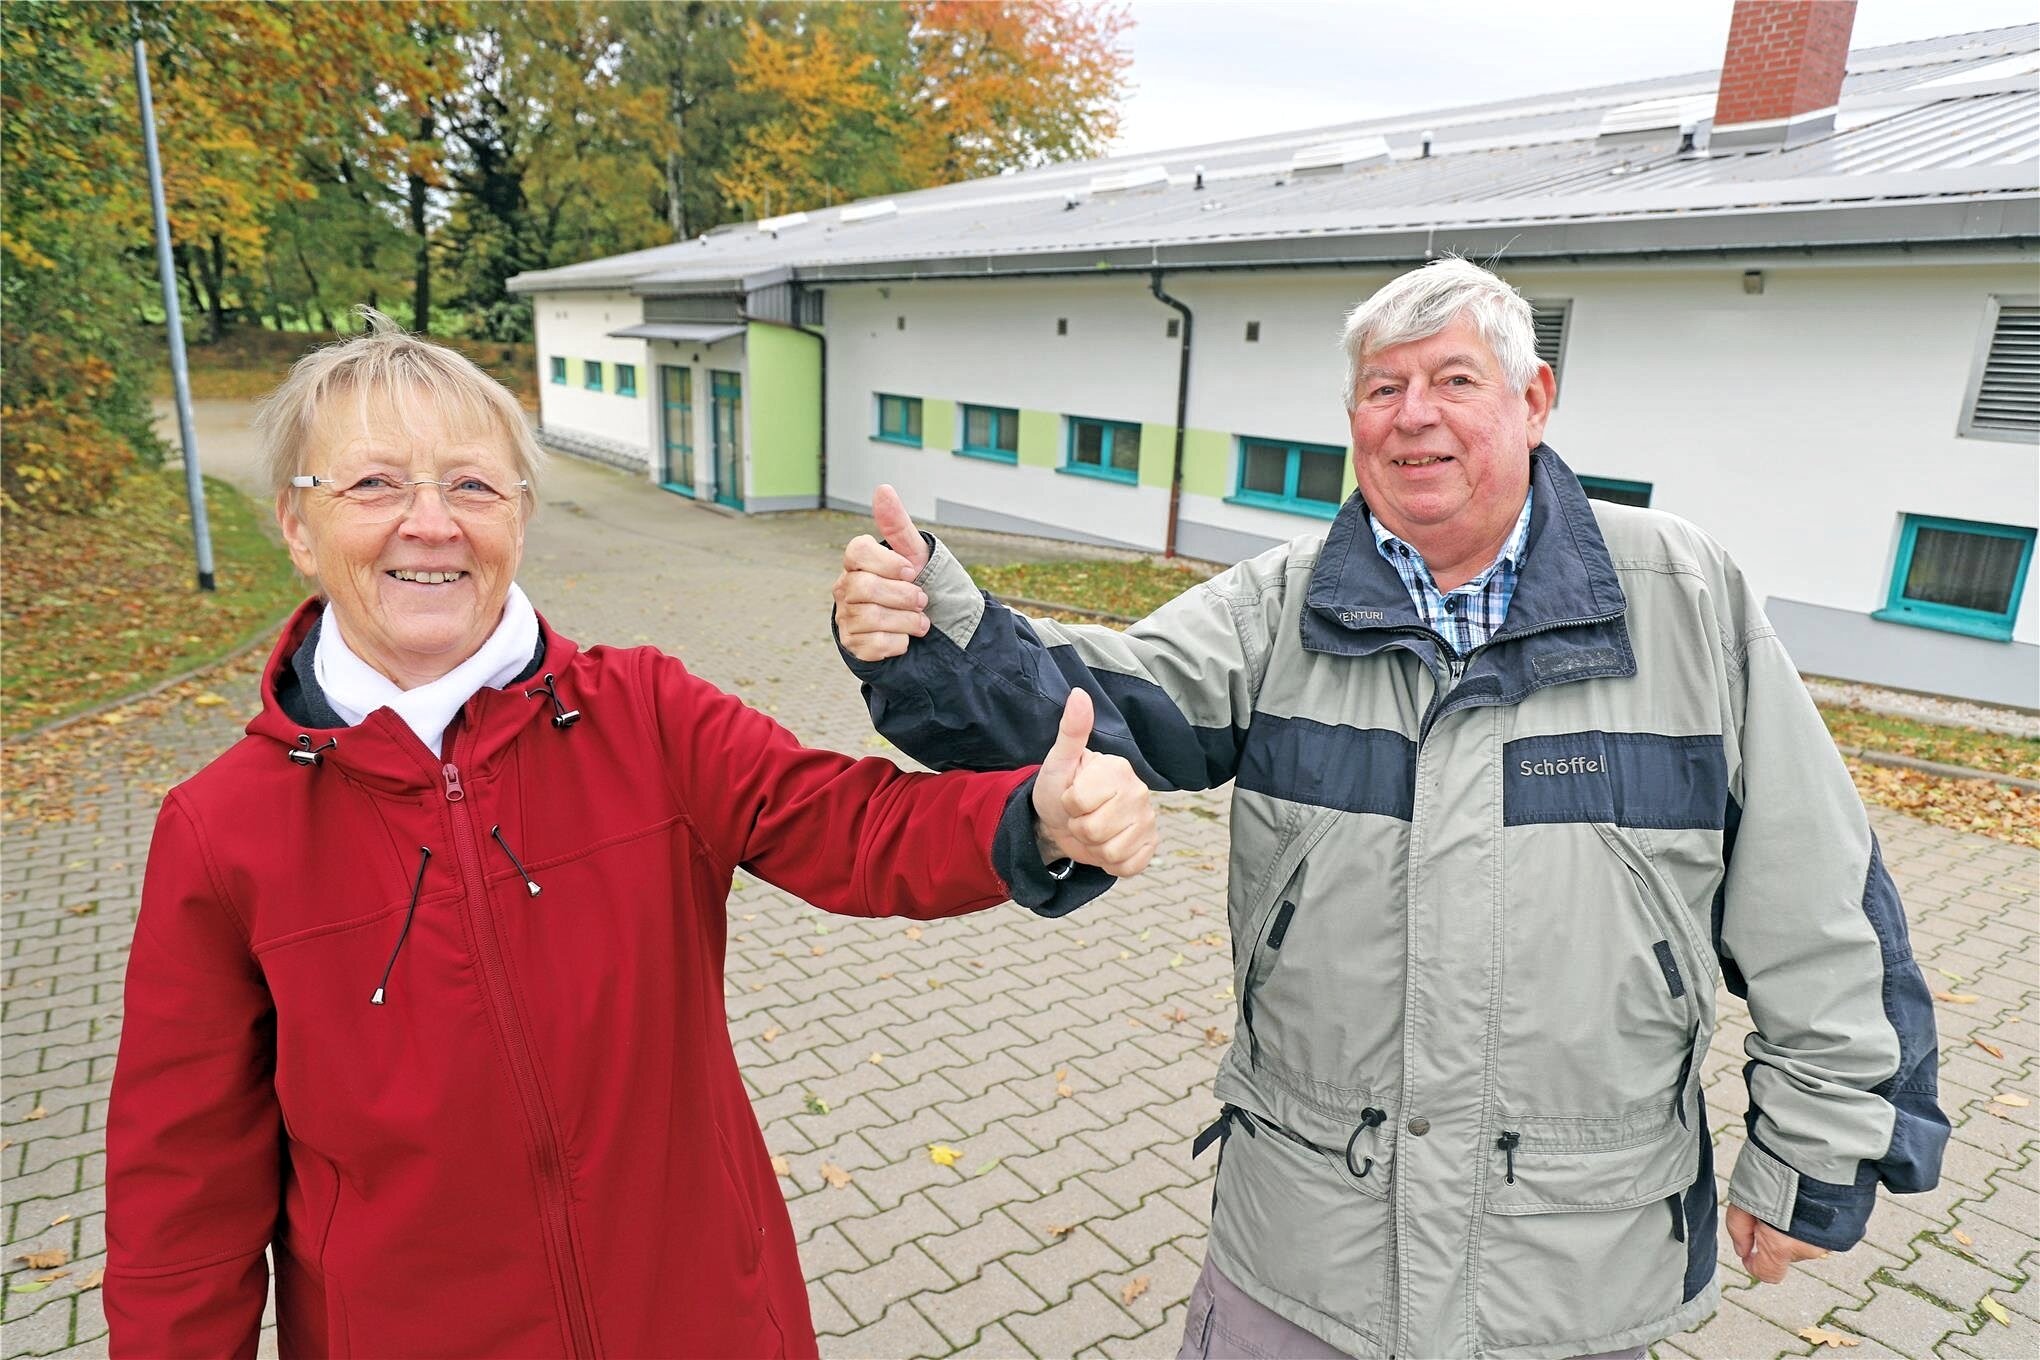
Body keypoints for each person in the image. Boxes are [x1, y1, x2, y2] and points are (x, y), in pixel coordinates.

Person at [832, 257, 1947, 1358]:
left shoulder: (1686, 597)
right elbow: (1099, 706)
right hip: (1303, 1252)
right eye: (1382, 387)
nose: (1414, 417)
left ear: (1534, 399)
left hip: (1575, 1271)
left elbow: (1820, 896)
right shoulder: (1282, 604)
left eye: (1454, 380)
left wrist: (1819, 1151)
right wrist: (938, 632)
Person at [104, 313, 1159, 1359]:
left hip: (704, 1319)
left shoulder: (644, 711)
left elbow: (850, 822)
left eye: (472, 484)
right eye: (374, 484)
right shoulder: (220, 829)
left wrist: (1032, 814)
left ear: (520, 516)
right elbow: (181, 1193)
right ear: (297, 524)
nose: (430, 522)